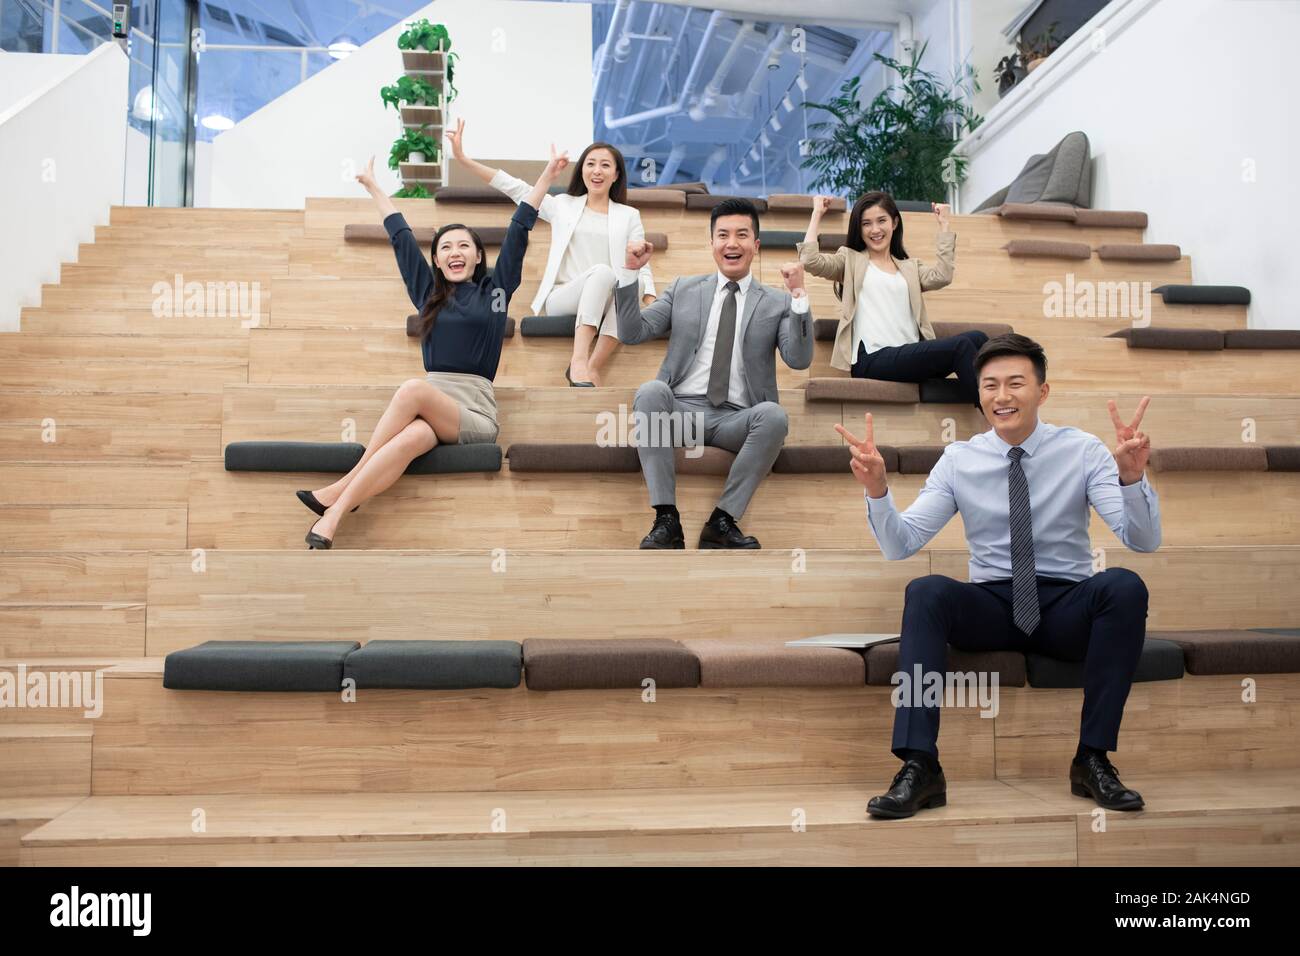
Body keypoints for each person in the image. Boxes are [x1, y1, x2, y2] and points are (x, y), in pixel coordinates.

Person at [836, 333, 1160, 817]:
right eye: (989, 385)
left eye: (1015, 383)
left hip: (1064, 606)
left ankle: (1092, 758)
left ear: (1042, 392)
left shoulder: (1084, 451)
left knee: (1125, 585)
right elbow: (900, 543)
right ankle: (920, 764)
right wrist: (879, 491)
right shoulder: (959, 459)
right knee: (925, 591)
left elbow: (1142, 540)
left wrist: (1133, 479)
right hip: (992, 603)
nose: (1001, 397)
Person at [294, 142, 568, 549]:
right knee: (408, 440)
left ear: (478, 256)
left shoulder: (497, 290)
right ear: (437, 261)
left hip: (474, 413)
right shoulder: (427, 294)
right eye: (445, 247)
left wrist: (547, 176)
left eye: (463, 246)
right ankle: (334, 515)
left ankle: (344, 484)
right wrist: (373, 186)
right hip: (432, 412)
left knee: (412, 388)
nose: (454, 252)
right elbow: (402, 238)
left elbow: (520, 227)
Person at [613, 197, 813, 550]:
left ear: (756, 245)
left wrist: (798, 296)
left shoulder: (776, 302)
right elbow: (632, 333)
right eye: (723, 235)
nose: (731, 243)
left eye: (741, 235)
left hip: (738, 418)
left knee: (774, 416)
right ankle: (666, 519)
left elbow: (798, 359)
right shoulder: (683, 289)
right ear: (711, 244)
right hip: (681, 412)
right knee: (650, 392)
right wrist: (630, 271)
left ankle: (722, 521)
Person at [447, 120, 655, 386]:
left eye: (605, 165)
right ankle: (578, 360)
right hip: (564, 295)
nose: (597, 170)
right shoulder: (563, 206)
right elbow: (516, 188)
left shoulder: (629, 215)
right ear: (581, 171)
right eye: (590, 164)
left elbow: (640, 262)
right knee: (604, 273)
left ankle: (591, 367)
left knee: (630, 283)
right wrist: (464, 160)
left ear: (616, 175)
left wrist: (649, 298)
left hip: (608, 297)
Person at [799, 191, 986, 406]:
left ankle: (1003, 404)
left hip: (908, 356)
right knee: (962, 346)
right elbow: (810, 260)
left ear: (894, 223)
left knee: (979, 339)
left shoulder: (909, 267)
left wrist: (944, 224)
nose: (875, 229)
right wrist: (817, 213)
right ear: (859, 229)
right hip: (872, 359)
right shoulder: (851, 260)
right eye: (866, 223)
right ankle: (994, 416)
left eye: (881, 221)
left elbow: (942, 276)